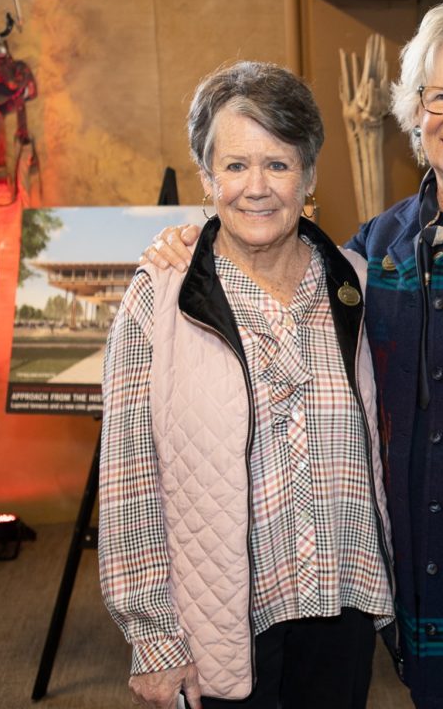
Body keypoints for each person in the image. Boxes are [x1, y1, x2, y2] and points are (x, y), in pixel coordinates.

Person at [139, 0, 443, 709]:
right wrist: (195, 239)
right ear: (414, 110)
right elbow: (271, 240)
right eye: (441, 95)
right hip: (416, 580)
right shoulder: (375, 249)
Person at [99, 61, 394, 709]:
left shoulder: (355, 284)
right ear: (206, 177)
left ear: (310, 175)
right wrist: (154, 637)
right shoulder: (161, 297)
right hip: (222, 625)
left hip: (339, 606)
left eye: (279, 164)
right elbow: (129, 478)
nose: (256, 188)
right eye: (234, 166)